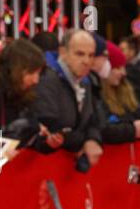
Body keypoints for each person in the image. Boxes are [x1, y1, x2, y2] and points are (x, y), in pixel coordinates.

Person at [29, 28, 105, 168]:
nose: (86, 61)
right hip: (41, 168)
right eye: (80, 54)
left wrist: (93, 139)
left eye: (91, 55)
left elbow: (93, 121)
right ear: (63, 52)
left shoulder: (86, 80)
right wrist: (84, 141)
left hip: (64, 171)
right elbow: (53, 127)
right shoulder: (45, 79)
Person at [0, 37, 46, 145]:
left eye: (38, 73)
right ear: (16, 69)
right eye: (31, 72)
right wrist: (26, 125)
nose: (36, 80)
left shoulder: (22, 94)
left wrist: (45, 143)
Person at [94, 40, 140, 145]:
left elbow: (124, 119)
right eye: (118, 68)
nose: (123, 73)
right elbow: (105, 129)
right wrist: (133, 130)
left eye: (123, 67)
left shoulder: (124, 89)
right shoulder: (97, 94)